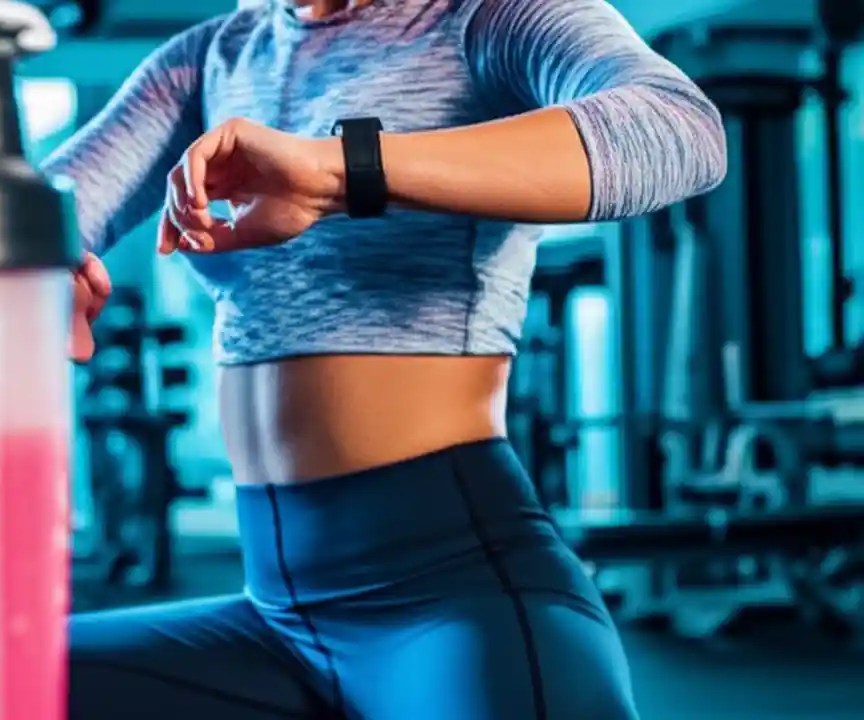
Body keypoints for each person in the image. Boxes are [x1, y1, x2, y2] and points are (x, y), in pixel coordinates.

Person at [50, 0, 726, 718]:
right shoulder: (215, 56)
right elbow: (43, 207)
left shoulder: (486, 20)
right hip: (278, 614)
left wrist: (342, 171)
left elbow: (679, 130)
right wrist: (33, 266)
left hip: (449, 597)